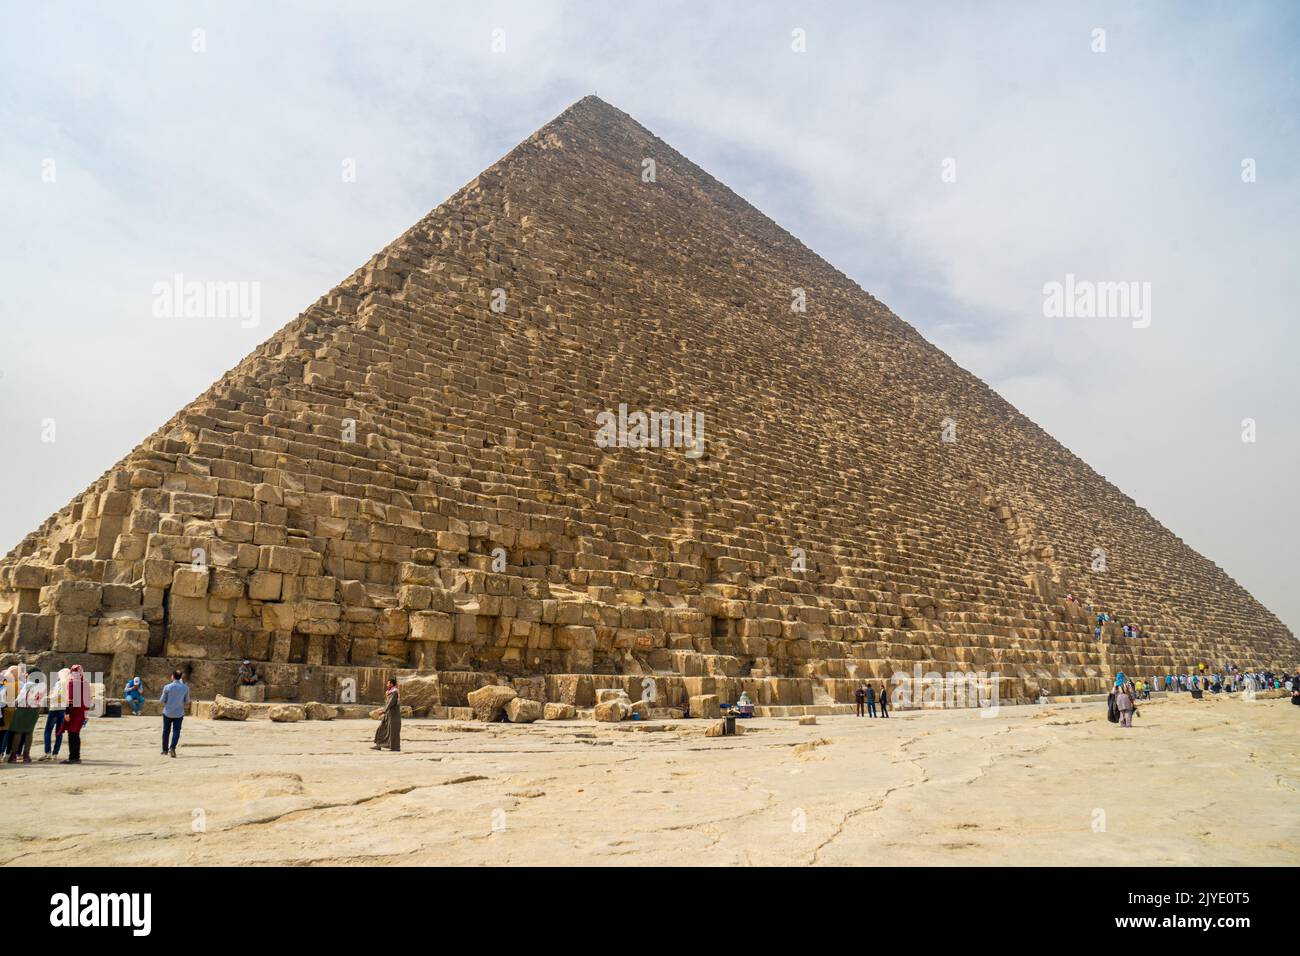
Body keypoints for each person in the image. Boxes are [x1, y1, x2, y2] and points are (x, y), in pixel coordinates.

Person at [6, 673, 44, 763]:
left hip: (23, 710)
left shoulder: (28, 684)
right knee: (29, 733)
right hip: (34, 711)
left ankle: (13, 756)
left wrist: (15, 704)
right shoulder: (42, 686)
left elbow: (20, 698)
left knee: (18, 732)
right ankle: (26, 756)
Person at [62, 664, 90, 764]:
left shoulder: (72, 682)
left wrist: (67, 712)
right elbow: (88, 701)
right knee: (76, 734)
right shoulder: (85, 683)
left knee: (72, 734)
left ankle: (72, 757)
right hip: (82, 712)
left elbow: (70, 699)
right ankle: (76, 757)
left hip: (73, 711)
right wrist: (86, 715)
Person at [160, 670, 189, 758]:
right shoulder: (185, 688)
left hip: (168, 712)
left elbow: (162, 700)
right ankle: (172, 747)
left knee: (166, 731)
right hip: (179, 713)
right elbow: (187, 701)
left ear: (172, 676)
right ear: (181, 677)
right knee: (176, 731)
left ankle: (164, 750)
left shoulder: (167, 687)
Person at [372, 678, 401, 752]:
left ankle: (395, 747)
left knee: (392, 732)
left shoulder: (394, 693)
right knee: (381, 729)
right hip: (388, 715)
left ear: (391, 684)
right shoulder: (390, 692)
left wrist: (383, 711)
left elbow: (390, 704)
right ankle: (378, 745)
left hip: (393, 716)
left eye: (388, 683)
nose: (387, 685)